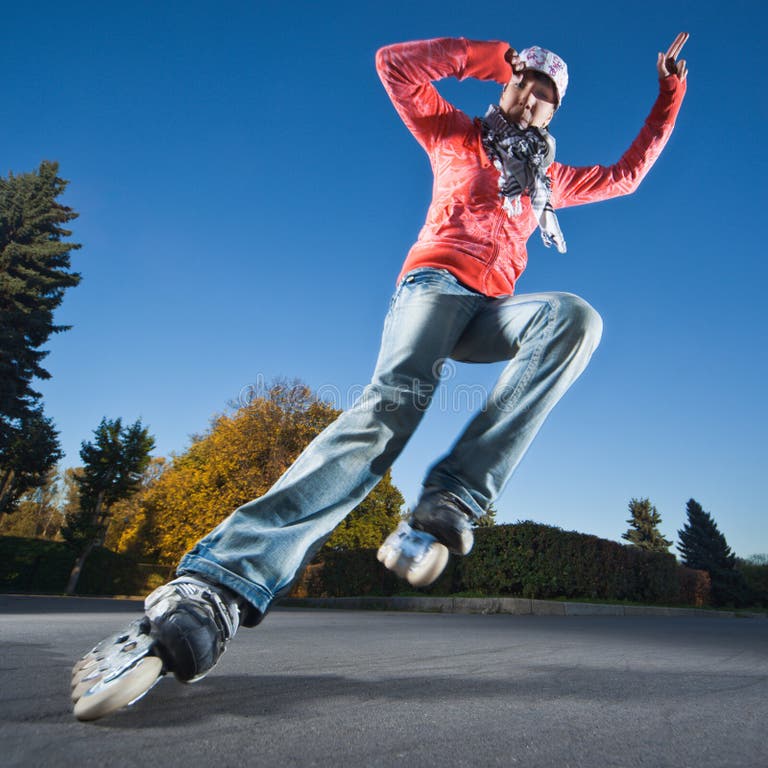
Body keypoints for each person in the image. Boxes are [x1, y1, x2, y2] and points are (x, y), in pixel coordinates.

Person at [71, 32, 689, 720]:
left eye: (544, 96)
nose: (530, 99)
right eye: (523, 85)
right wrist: (492, 57)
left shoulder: (551, 182)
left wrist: (669, 94)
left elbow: (628, 174)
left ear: (553, 113)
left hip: (491, 312)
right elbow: (395, 67)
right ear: (506, 86)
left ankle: (452, 500)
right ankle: (220, 582)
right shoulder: (456, 134)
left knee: (574, 318)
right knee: (394, 408)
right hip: (435, 286)